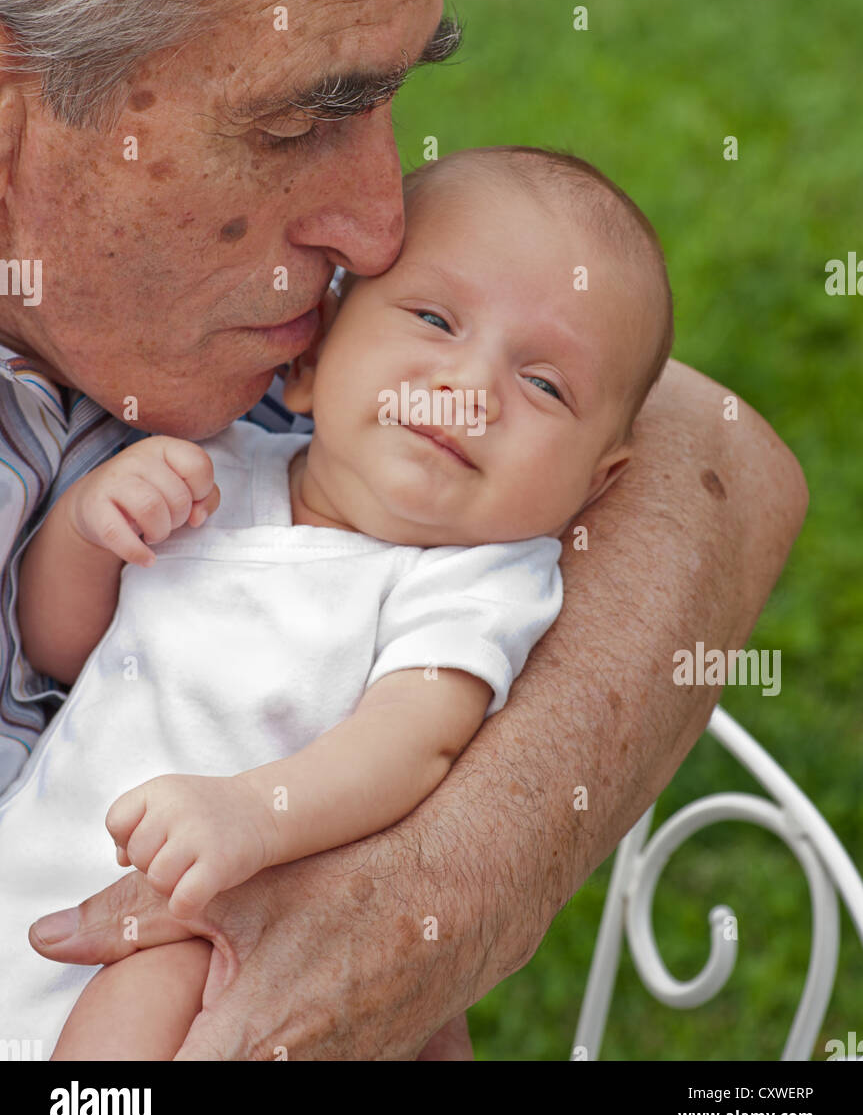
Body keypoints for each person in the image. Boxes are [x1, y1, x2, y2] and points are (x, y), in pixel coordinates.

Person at [0, 0, 807, 1061]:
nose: (380, 226)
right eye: (304, 118)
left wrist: (415, 898)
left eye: (384, 97)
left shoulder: (295, 353)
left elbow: (712, 450)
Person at [5, 145, 671, 1060]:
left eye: (545, 384)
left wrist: (254, 812)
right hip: (33, 878)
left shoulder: (472, 580)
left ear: (595, 486)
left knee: (149, 1000)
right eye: (435, 319)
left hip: (203, 926)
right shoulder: (219, 469)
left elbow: (411, 740)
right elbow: (57, 644)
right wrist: (89, 530)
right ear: (310, 362)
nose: (469, 390)